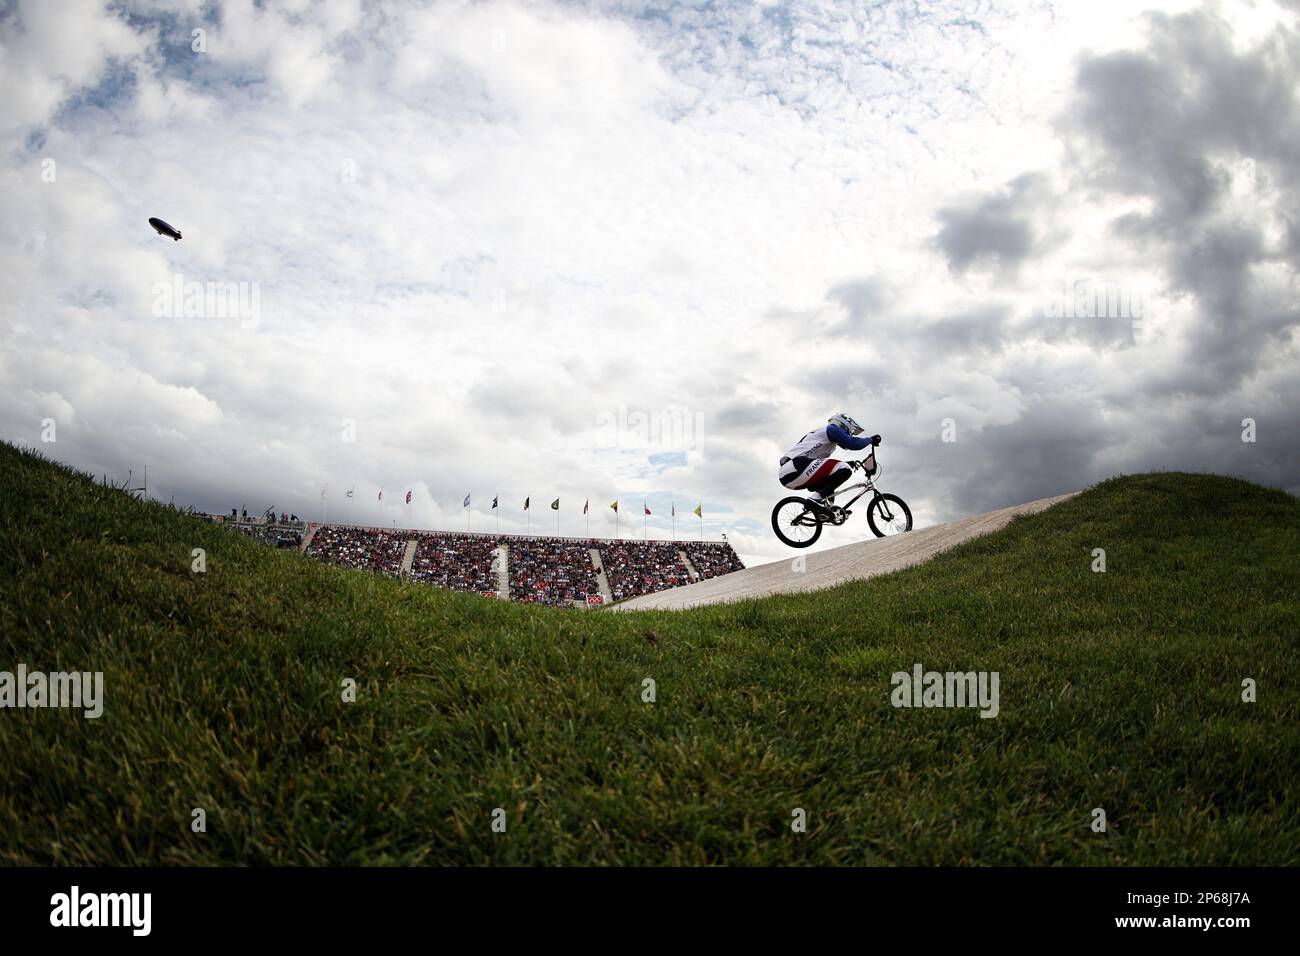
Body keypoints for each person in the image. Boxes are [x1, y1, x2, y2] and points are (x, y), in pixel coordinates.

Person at [777, 413, 880, 508]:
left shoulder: (828, 443)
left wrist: (849, 463)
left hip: (791, 476)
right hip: (794, 467)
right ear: (844, 424)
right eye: (851, 431)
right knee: (845, 468)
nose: (851, 434)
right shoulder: (831, 429)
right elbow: (853, 444)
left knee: (831, 480)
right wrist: (870, 439)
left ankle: (824, 510)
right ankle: (815, 499)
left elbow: (819, 465)